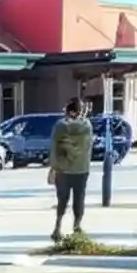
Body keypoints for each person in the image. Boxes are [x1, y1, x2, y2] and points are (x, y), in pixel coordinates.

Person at [48, 98, 93, 243]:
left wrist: (53, 168)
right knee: (79, 198)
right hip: (81, 168)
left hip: (63, 170)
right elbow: (88, 147)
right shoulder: (87, 126)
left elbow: (54, 148)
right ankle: (77, 226)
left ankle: (57, 227)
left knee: (62, 199)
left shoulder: (60, 126)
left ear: (68, 111)